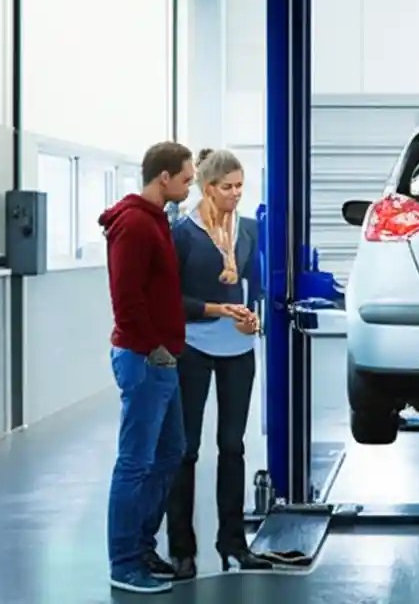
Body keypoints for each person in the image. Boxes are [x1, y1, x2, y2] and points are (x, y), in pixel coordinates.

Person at [164, 148, 272, 578]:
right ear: (208, 188)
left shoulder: (246, 232)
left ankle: (233, 543)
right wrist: (217, 310)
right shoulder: (182, 235)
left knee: (233, 447)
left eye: (240, 187)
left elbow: (256, 288)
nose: (235, 195)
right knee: (186, 450)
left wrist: (253, 318)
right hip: (192, 348)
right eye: (227, 187)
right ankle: (181, 549)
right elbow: (171, 300)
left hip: (238, 353)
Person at [99, 141, 196, 594]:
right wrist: (154, 345)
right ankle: (123, 564)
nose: (190, 184)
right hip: (144, 359)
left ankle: (141, 548)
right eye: (187, 178)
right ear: (164, 177)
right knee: (135, 463)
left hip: (163, 358)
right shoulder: (135, 225)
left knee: (170, 452)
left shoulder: (157, 219)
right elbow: (126, 297)